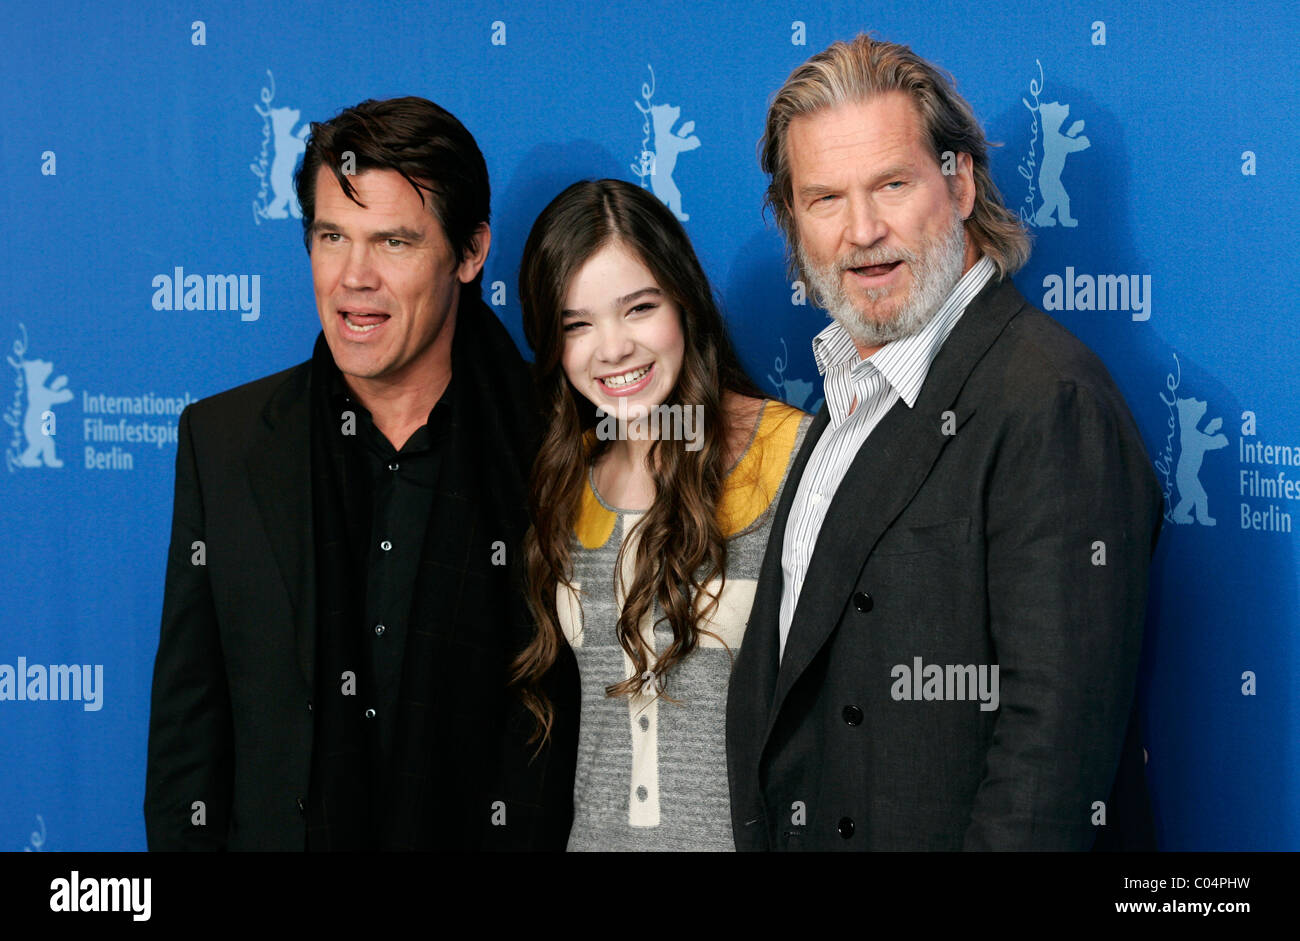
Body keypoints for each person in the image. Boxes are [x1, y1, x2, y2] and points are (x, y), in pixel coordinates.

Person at [725, 35, 1162, 851]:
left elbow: (1049, 764)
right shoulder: (843, 402)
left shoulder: (1048, 401)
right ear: (794, 222)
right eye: (824, 199)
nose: (863, 230)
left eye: (892, 184)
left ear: (958, 183)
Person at [143, 96, 578, 851]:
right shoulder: (224, 443)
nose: (353, 278)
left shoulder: (562, 446)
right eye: (331, 236)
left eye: (394, 243)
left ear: (471, 253)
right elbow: (189, 747)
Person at [511, 179, 812, 850]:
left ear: (684, 301)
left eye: (638, 308)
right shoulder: (568, 478)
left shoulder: (793, 454)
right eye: (576, 323)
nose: (612, 347)